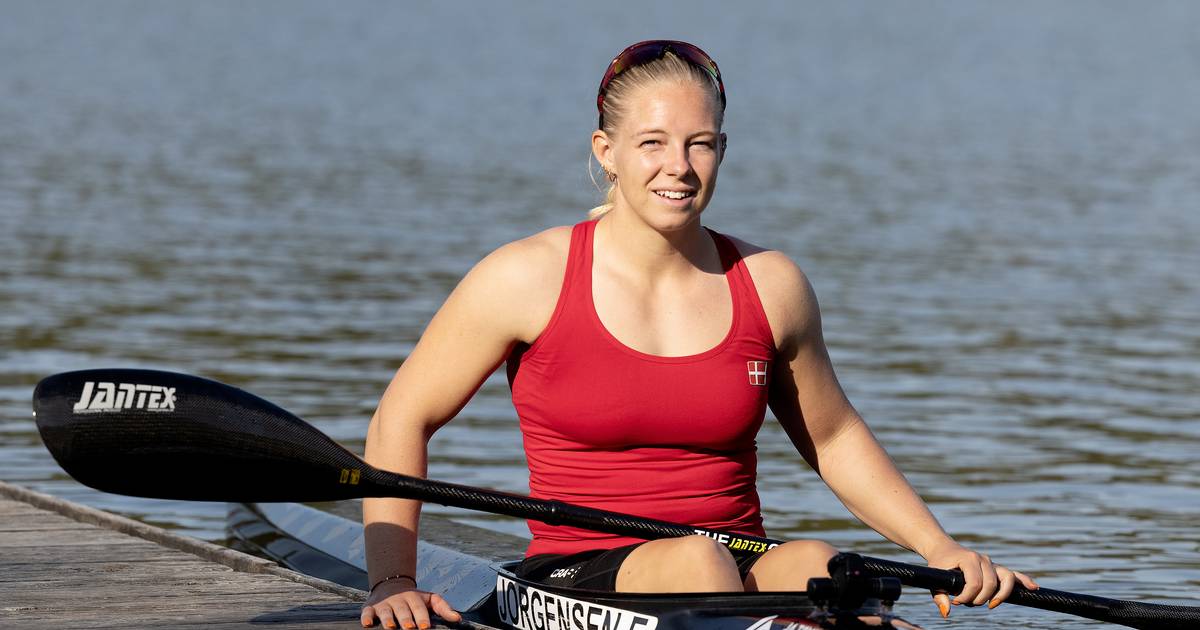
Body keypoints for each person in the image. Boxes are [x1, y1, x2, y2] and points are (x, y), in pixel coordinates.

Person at [360, 40, 1037, 630]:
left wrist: (938, 549)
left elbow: (833, 438)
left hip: (733, 570)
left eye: (700, 143)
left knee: (826, 569)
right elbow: (403, 416)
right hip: (576, 577)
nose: (678, 167)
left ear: (721, 149)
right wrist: (393, 582)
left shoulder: (770, 284)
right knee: (696, 557)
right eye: (652, 143)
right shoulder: (526, 277)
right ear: (608, 152)